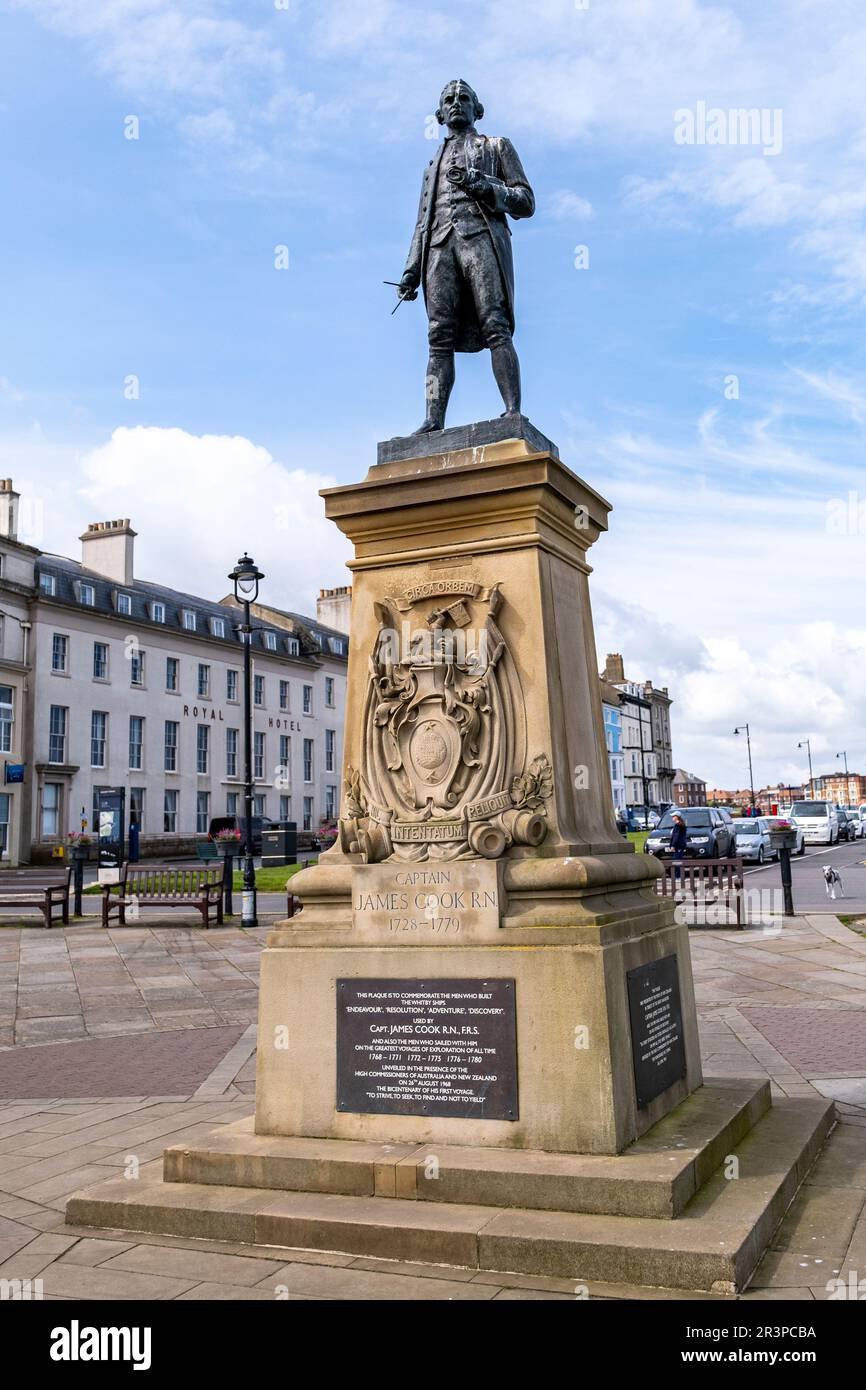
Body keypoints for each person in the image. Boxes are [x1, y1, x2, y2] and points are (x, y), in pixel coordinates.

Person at [399, 79, 535, 432]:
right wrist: (411, 270)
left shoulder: (497, 147)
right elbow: (421, 221)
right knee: (437, 335)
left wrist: (485, 186)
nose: (456, 103)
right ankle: (432, 421)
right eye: (449, 99)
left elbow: (525, 201)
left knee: (496, 325)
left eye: (464, 98)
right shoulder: (431, 167)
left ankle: (512, 412)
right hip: (439, 251)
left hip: (480, 241)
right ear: (440, 113)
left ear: (478, 109)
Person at [670, 812, 688, 877]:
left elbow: (676, 836)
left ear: (677, 817)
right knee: (678, 860)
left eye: (673, 816)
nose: (672, 818)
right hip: (681, 845)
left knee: (677, 861)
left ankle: (678, 876)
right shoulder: (681, 824)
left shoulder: (678, 825)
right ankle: (679, 876)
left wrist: (673, 845)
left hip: (678, 846)